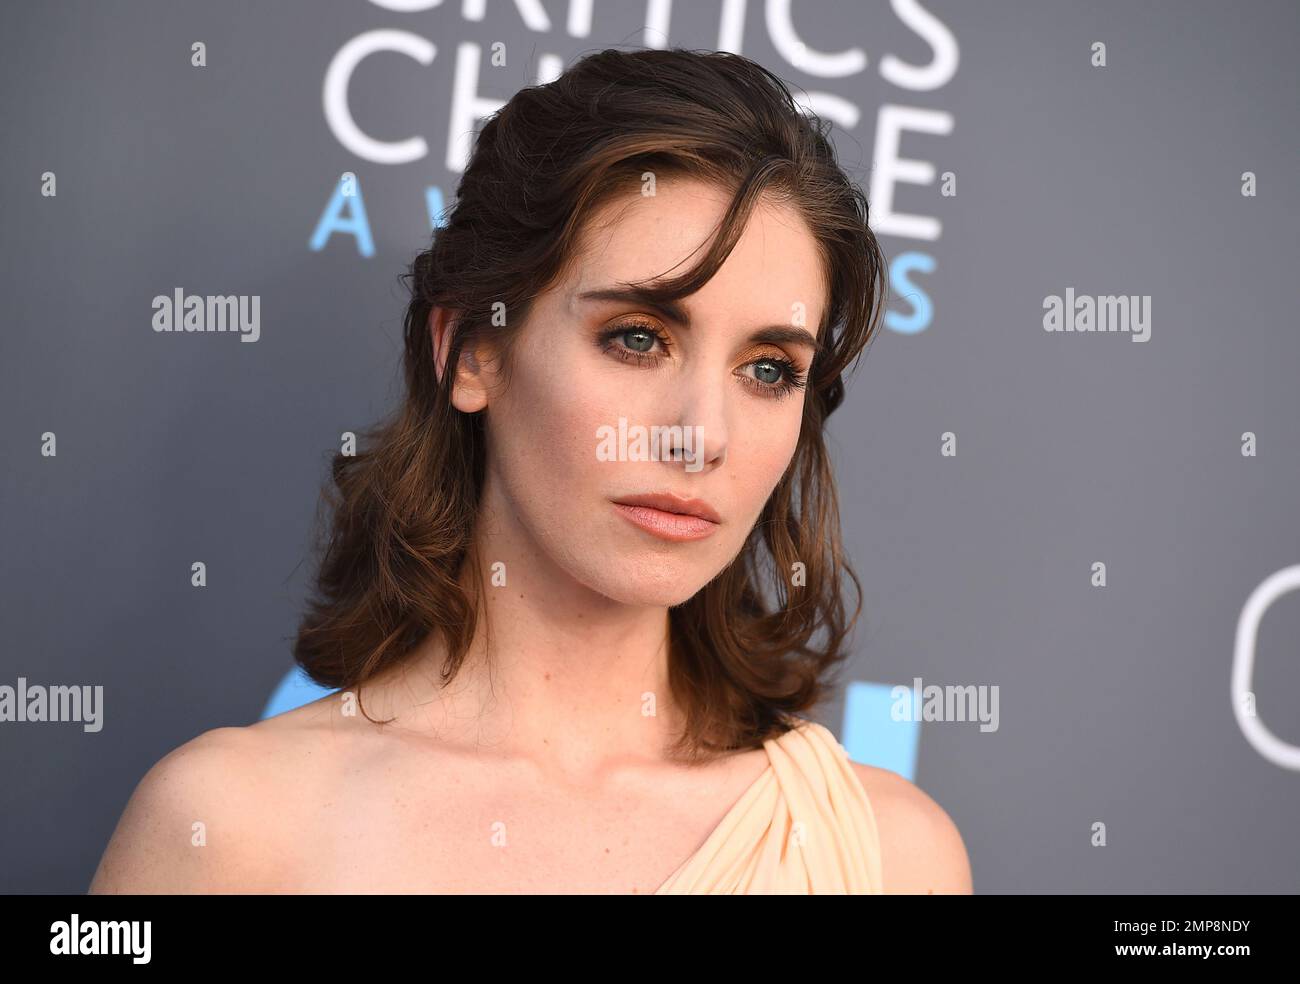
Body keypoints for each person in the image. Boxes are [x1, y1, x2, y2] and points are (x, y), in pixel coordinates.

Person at [89, 46, 971, 894]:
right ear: (471, 351)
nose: (701, 437)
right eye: (637, 339)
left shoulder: (892, 856)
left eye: (768, 370)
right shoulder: (230, 829)